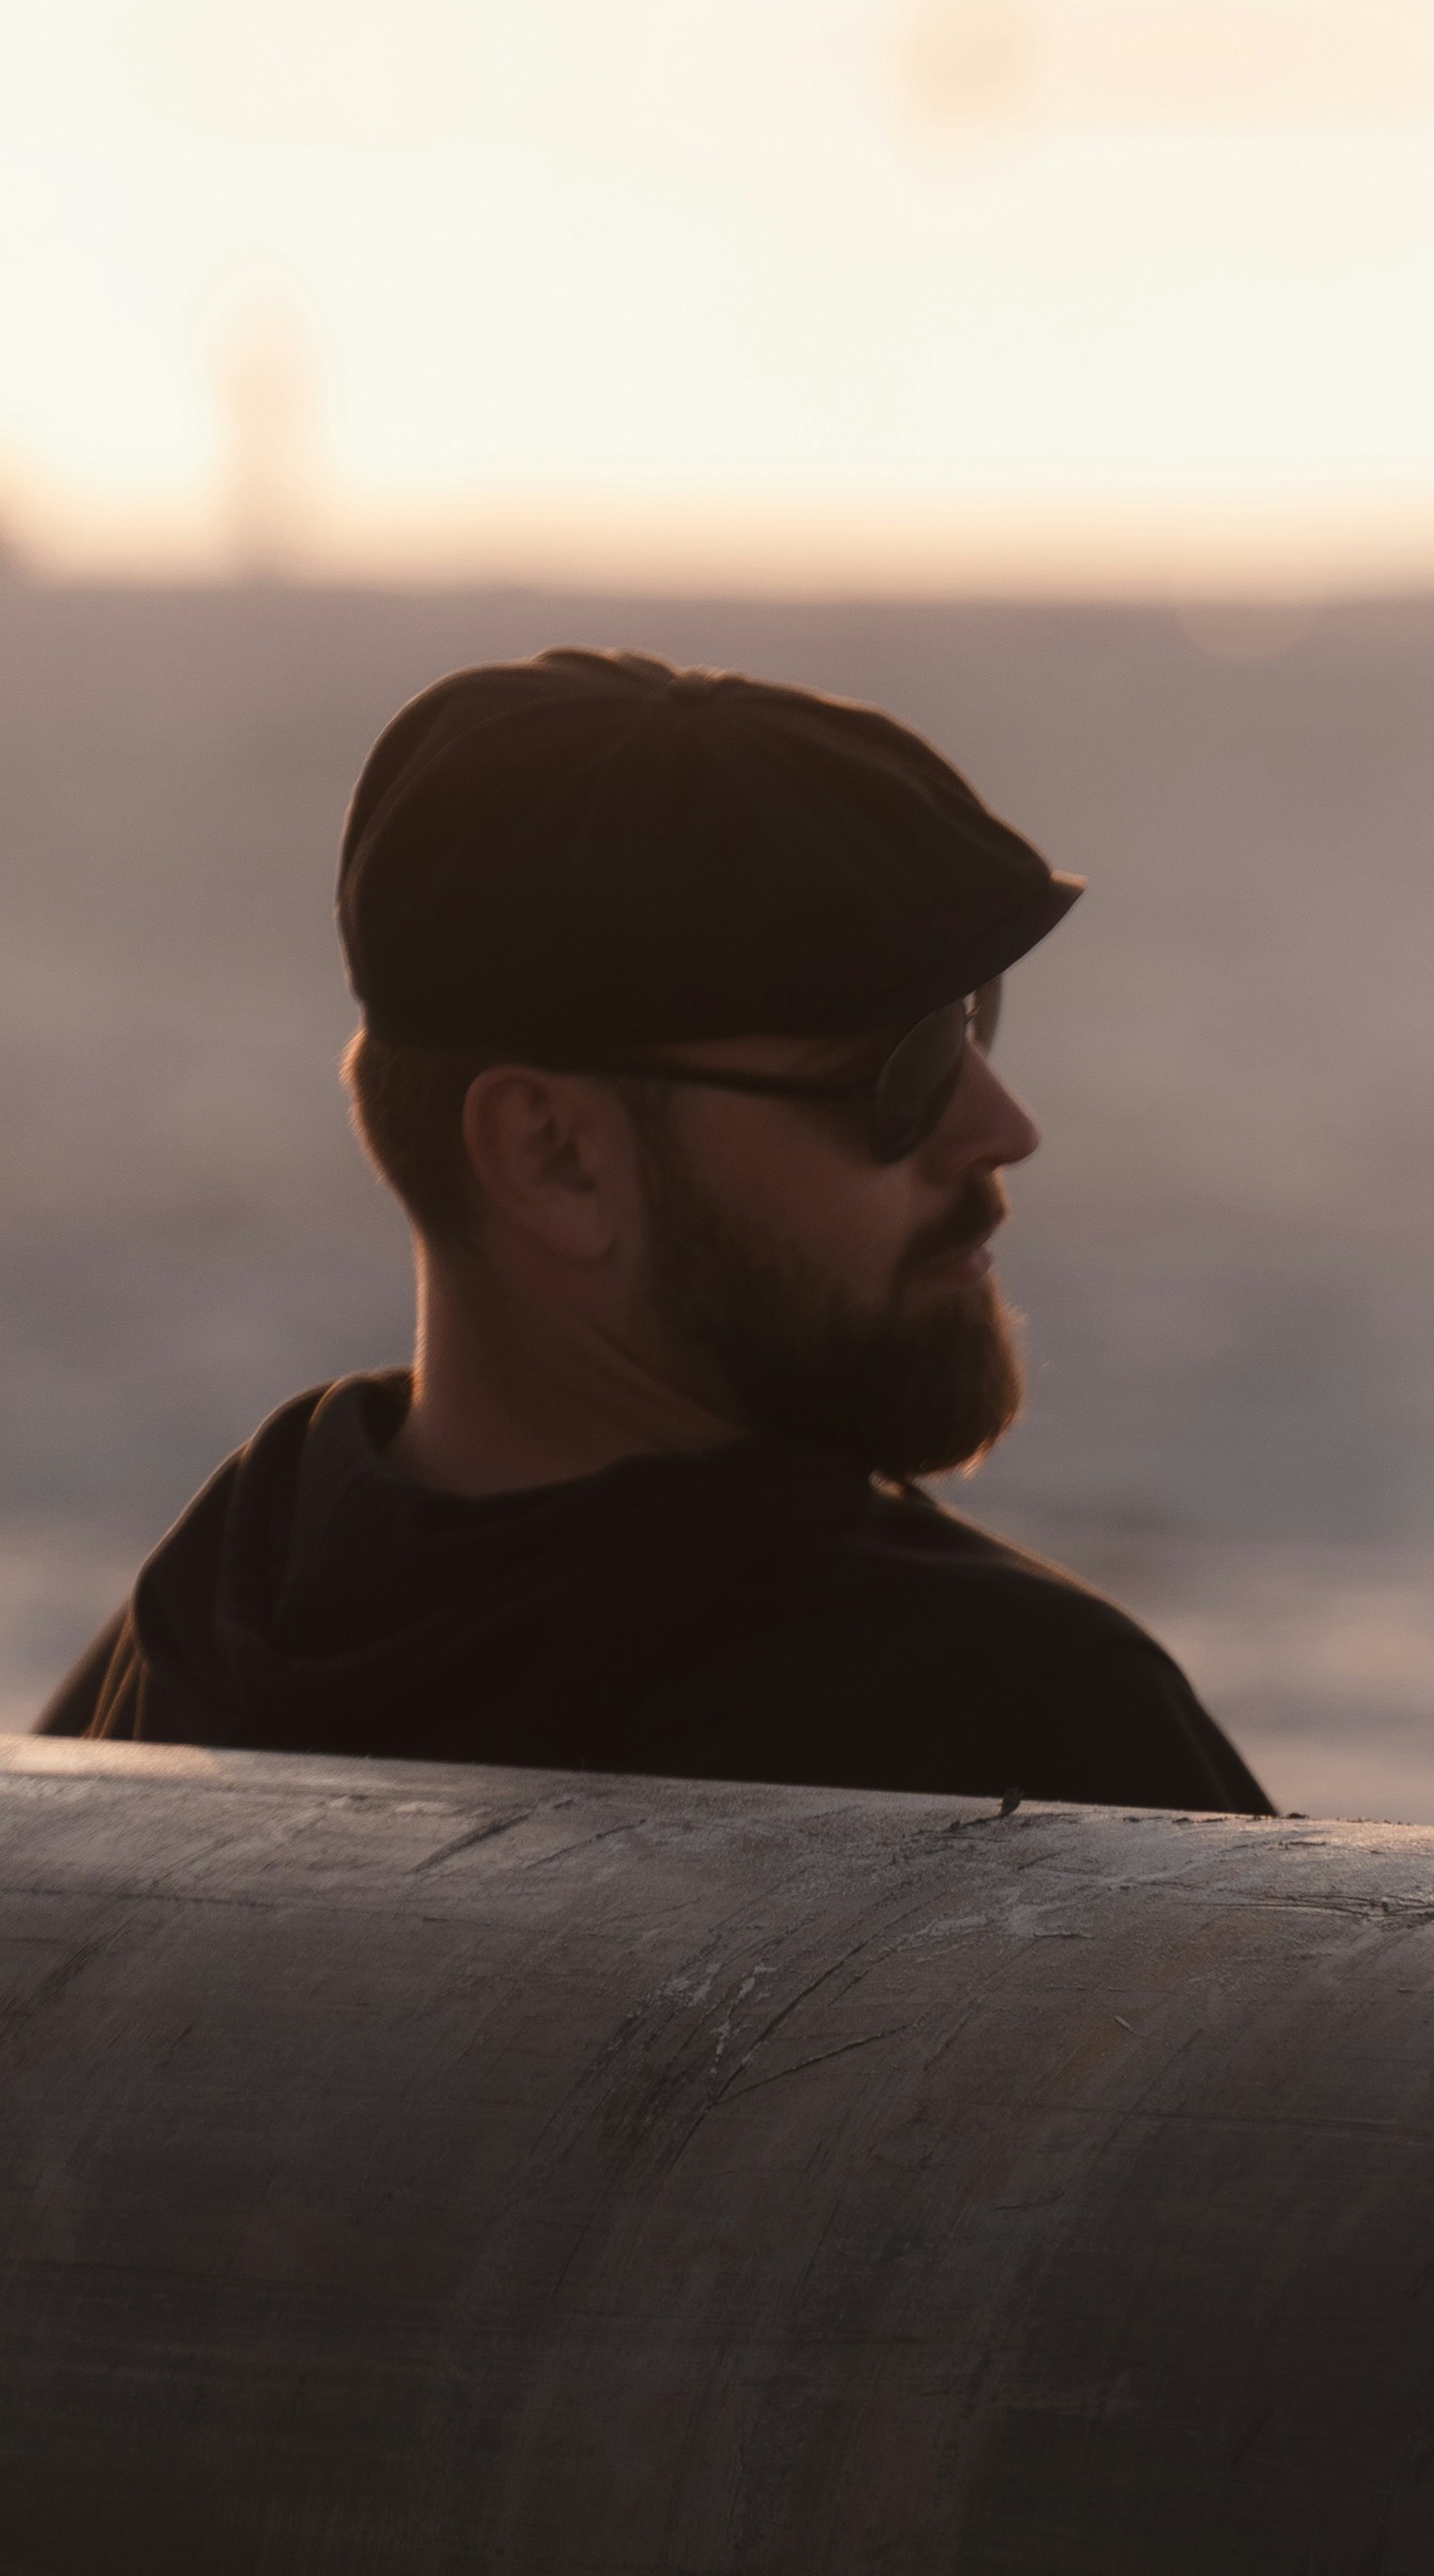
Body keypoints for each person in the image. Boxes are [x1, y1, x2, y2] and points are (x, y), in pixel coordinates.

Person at [39, 647, 1269, 1814]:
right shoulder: (1027, 1720)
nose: (1002, 1127)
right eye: (906, 1067)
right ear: (555, 1157)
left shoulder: (191, 1645)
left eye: (975, 1016)